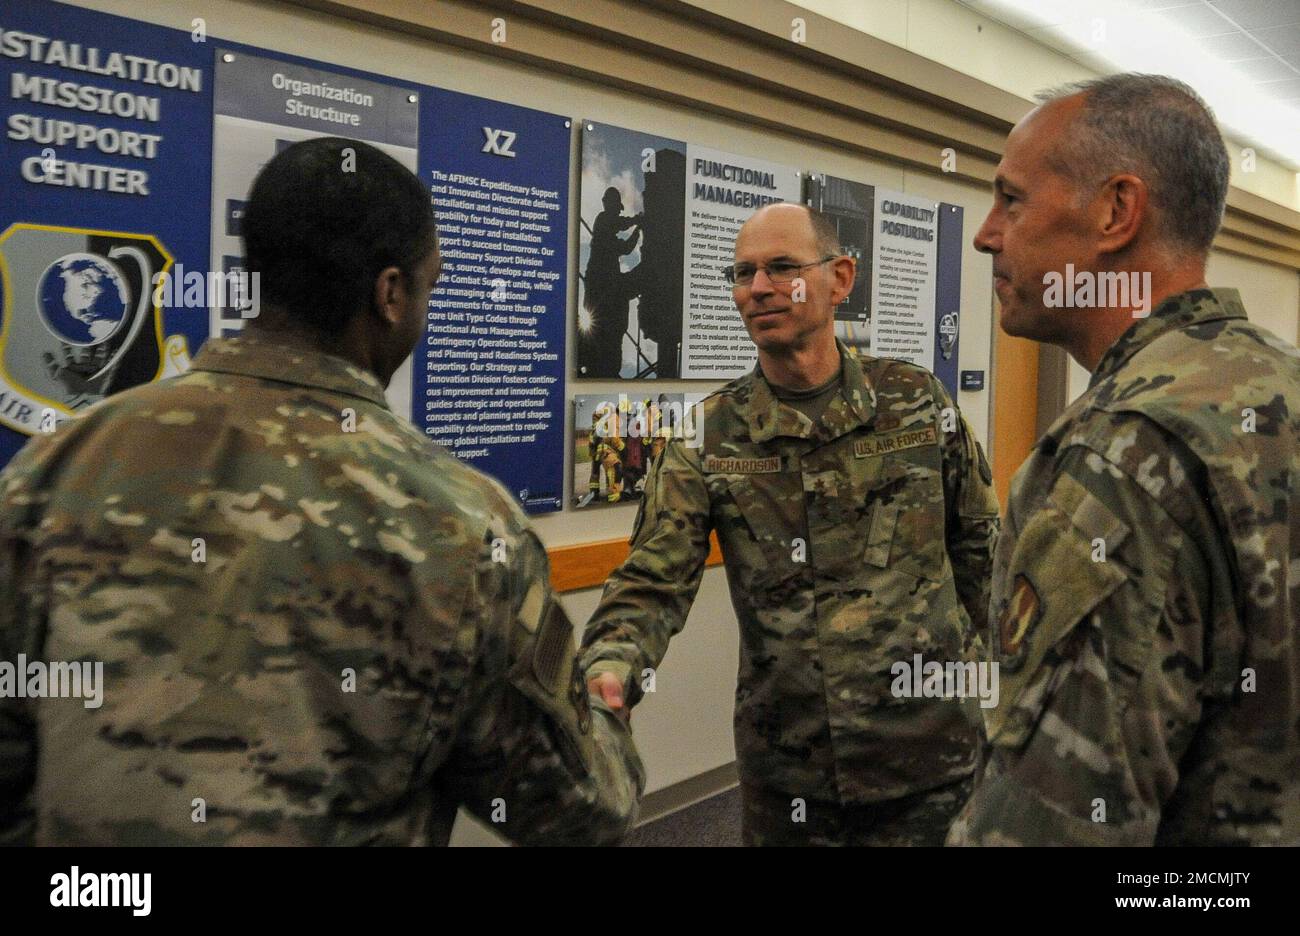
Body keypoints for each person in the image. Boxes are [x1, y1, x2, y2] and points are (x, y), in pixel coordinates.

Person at [0, 137, 643, 846]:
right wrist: (607, 716)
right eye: (431, 284)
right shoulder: (461, 525)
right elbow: (577, 811)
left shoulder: (55, 470)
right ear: (391, 293)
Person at [948, 74, 1300, 846]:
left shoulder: (1124, 453)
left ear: (1115, 212)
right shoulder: (1281, 382)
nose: (986, 234)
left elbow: (1054, 823)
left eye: (1012, 200)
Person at [583, 202, 1000, 845]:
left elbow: (980, 555)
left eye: (782, 268)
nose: (758, 288)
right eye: (743, 272)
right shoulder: (708, 434)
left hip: (932, 758)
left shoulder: (914, 403)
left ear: (840, 279)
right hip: (793, 775)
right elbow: (653, 577)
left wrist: (1005, 690)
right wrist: (612, 663)